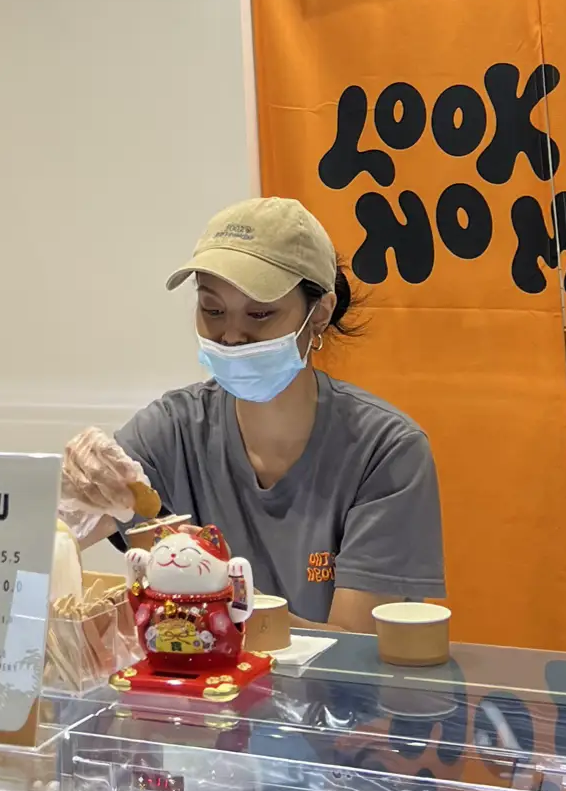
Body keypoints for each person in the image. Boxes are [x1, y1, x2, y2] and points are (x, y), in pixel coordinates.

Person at [62, 198, 443, 633]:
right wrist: (73, 490)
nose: (232, 335)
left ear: (319, 313)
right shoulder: (171, 431)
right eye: (213, 310)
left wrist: (216, 590)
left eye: (260, 313)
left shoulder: (386, 452)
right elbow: (36, 552)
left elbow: (352, 654)